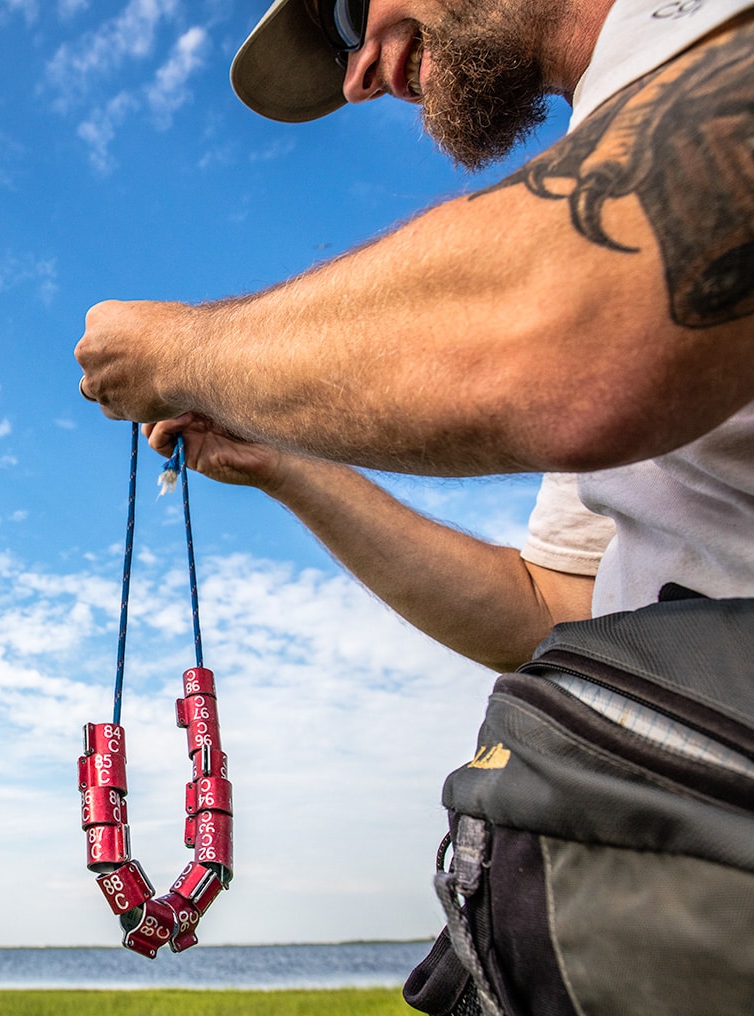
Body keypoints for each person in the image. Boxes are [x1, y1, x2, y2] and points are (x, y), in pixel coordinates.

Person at [75, 0, 754, 660]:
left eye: (347, 11)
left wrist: (180, 353)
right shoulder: (620, 124)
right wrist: (284, 466)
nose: (357, 79)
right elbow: (550, 609)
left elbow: (573, 337)